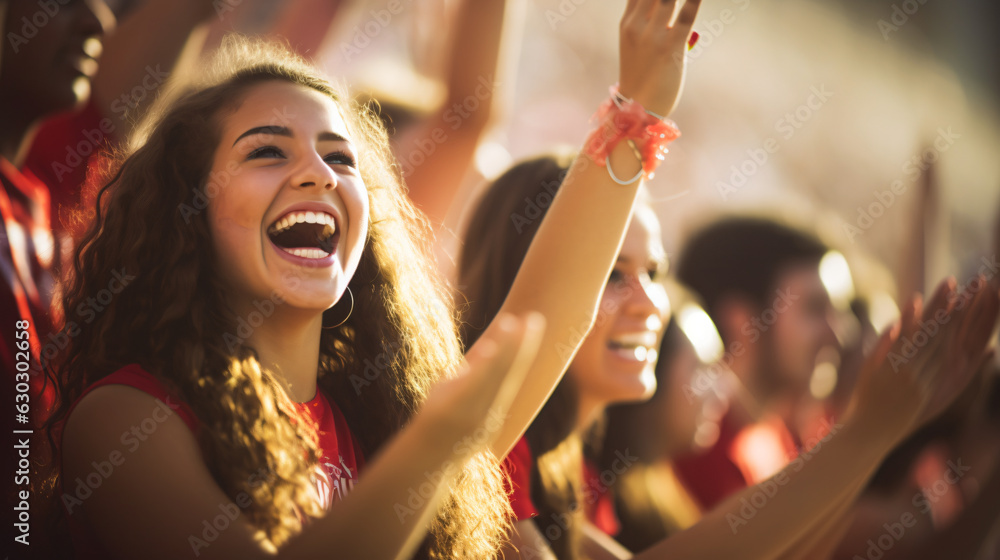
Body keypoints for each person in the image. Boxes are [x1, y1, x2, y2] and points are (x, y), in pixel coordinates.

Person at [41, 0, 700, 553]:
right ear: (184, 210)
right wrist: (438, 446)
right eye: (267, 151)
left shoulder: (381, 414)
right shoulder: (124, 419)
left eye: (340, 158)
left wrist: (635, 110)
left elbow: (549, 313)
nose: (320, 175)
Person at [458, 152, 998, 560]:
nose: (652, 301)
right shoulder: (489, 455)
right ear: (527, 277)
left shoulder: (567, 471)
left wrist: (881, 428)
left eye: (654, 272)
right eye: (613, 274)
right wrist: (870, 431)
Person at [671, 216, 841, 510]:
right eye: (814, 309)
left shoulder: (777, 436)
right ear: (742, 323)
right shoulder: (693, 449)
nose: (838, 335)